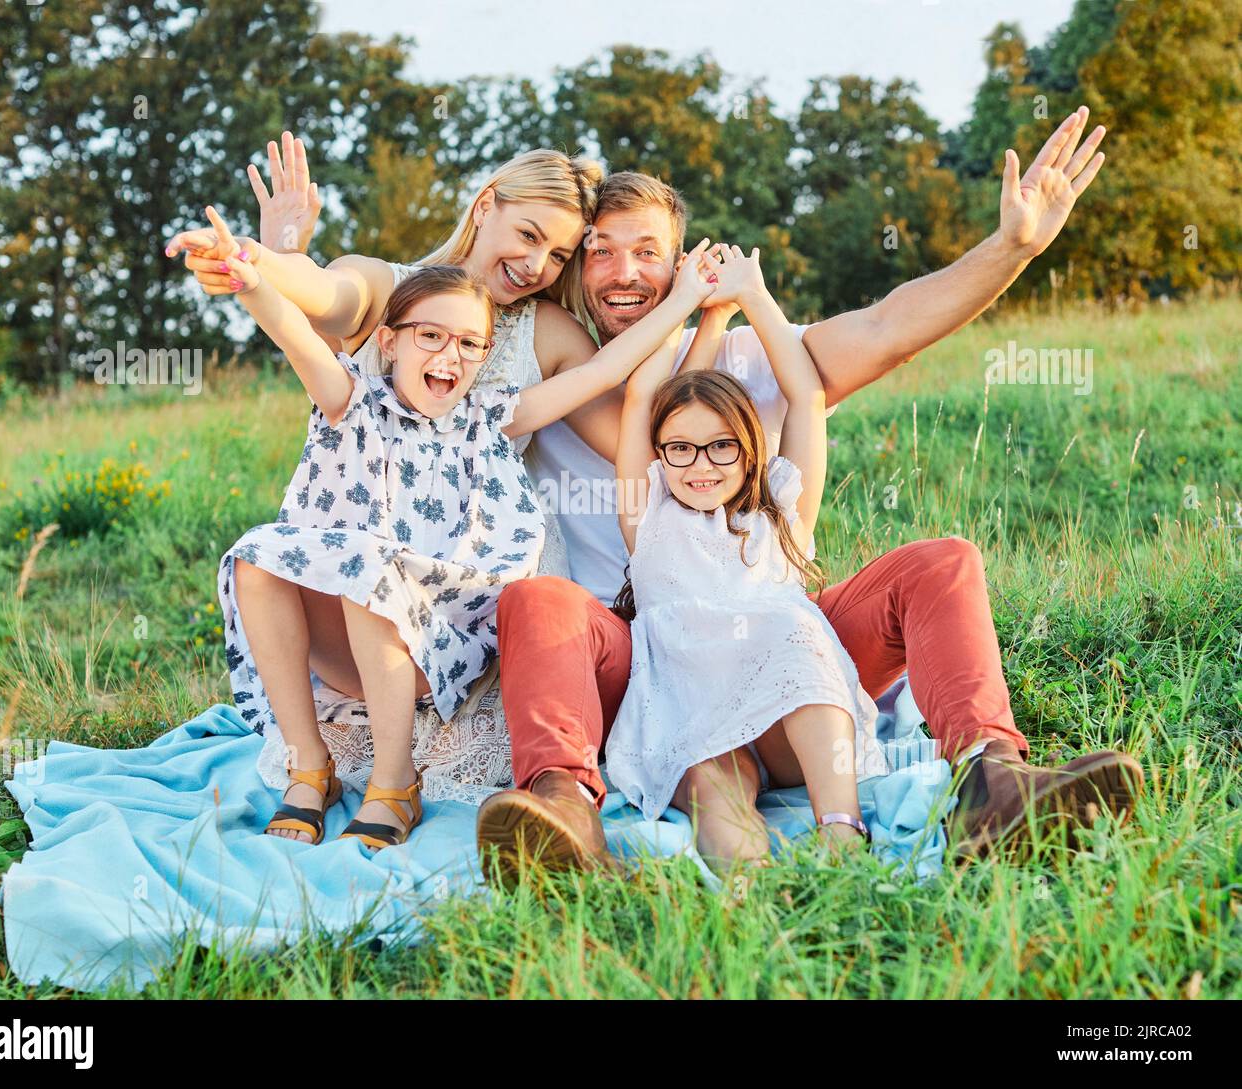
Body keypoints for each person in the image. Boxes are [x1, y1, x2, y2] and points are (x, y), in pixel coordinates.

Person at [478, 108, 1144, 881]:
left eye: (647, 252)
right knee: (538, 600)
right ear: (572, 264)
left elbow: (891, 326)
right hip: (645, 666)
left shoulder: (747, 355)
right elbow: (416, 320)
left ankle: (994, 783)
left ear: (684, 263)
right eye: (600, 250)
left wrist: (1012, 248)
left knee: (942, 562)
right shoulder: (552, 367)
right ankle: (563, 814)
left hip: (785, 652)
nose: (624, 271)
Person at [188, 200, 718, 849]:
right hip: (355, 641)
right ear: (391, 340)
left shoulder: (491, 416)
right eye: (430, 336)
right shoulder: (352, 400)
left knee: (370, 573)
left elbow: (606, 369)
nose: (448, 356)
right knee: (258, 558)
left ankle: (394, 781)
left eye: (469, 344)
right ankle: (310, 766)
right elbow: (292, 330)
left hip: (447, 645)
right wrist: (249, 274)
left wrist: (687, 298)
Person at [606, 243, 894, 869]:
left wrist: (752, 296)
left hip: (788, 717)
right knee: (718, 797)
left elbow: (806, 395)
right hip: (695, 713)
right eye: (679, 448)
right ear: (660, 455)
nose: (700, 465)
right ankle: (751, 901)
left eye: (721, 448)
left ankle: (841, 834)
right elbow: (644, 399)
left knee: (792, 626)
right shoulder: (648, 511)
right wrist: (705, 315)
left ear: (750, 452)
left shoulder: (781, 511)